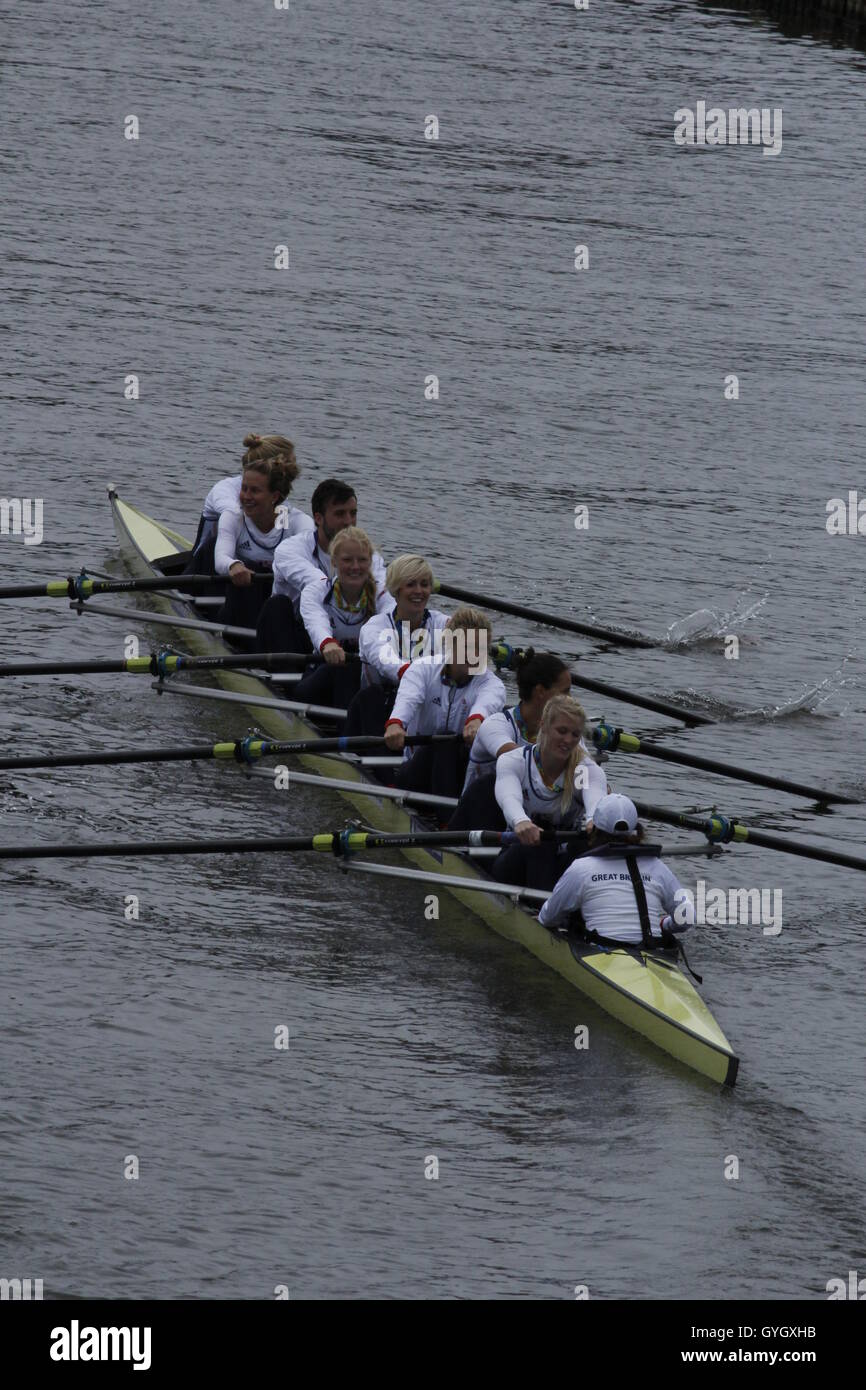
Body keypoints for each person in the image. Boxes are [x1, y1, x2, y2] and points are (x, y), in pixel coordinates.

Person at [537, 793, 696, 947]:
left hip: (601, 953)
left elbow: (548, 918)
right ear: (637, 830)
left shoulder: (581, 868)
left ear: (594, 830)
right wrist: (665, 924)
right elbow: (687, 917)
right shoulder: (657, 867)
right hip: (652, 950)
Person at [383, 607, 505, 800]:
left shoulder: (492, 684)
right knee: (444, 740)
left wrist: (476, 721)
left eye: (480, 648)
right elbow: (407, 698)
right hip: (416, 772)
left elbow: (487, 703)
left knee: (449, 744)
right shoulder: (422, 669)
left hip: (460, 774)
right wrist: (396, 723)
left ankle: (450, 820)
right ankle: (448, 823)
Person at [490, 693, 607, 891]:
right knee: (540, 845)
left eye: (575, 734)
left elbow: (595, 801)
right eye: (562, 731)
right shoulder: (515, 761)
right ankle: (545, 914)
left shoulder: (583, 770)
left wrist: (594, 820)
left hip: (562, 866)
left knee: (588, 846)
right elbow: (509, 797)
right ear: (543, 725)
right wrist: (521, 821)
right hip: (516, 861)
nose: (568, 740)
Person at [256, 478, 386, 655]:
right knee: (278, 605)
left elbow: (383, 593)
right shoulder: (289, 549)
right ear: (318, 518)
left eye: (353, 513)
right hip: (294, 633)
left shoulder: (370, 556)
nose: (349, 521)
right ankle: (283, 676)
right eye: (340, 514)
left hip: (340, 632)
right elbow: (319, 585)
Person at [448, 649, 572, 831]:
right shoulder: (496, 725)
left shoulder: (565, 732)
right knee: (493, 781)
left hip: (527, 824)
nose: (570, 700)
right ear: (540, 692)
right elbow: (519, 759)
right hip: (480, 819)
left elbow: (583, 765)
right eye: (565, 692)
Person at [344, 554, 449, 739]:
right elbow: (384, 657)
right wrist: (413, 675)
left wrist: (482, 643)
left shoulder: (442, 623)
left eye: (424, 585)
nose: (419, 591)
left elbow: (473, 649)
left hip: (422, 707)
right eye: (410, 585)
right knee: (372, 695)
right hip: (380, 708)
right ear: (395, 590)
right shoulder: (375, 627)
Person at [291, 527, 392, 715]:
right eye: (347, 560)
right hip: (318, 681)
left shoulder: (383, 596)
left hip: (363, 682)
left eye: (362, 560)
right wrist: (327, 644)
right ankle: (348, 735)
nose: (355, 567)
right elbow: (316, 623)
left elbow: (390, 621)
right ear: (334, 561)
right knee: (343, 669)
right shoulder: (316, 591)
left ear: (370, 562)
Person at [186, 433, 310, 577]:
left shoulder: (281, 503)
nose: (292, 468)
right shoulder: (227, 491)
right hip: (207, 563)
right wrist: (233, 564)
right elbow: (236, 514)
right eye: (291, 461)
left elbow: (287, 519)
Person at [213, 455, 301, 639]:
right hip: (241, 606)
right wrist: (233, 565)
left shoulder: (292, 521)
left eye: (254, 491)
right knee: (245, 568)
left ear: (274, 496)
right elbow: (221, 557)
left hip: (278, 605)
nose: (246, 497)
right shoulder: (234, 517)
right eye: (244, 489)